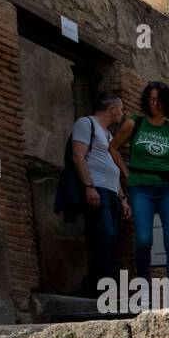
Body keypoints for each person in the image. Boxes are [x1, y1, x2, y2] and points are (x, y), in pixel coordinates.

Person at [111, 82, 169, 303]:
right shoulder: (134, 123)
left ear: (167, 102)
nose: (154, 104)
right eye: (150, 99)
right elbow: (113, 148)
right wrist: (128, 175)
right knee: (144, 240)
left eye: (158, 99)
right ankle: (145, 286)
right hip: (141, 189)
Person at [69, 95, 131, 299]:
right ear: (113, 109)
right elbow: (78, 156)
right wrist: (89, 186)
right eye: (120, 110)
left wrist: (122, 198)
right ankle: (103, 289)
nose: (121, 115)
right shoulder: (86, 124)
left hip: (111, 193)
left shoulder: (109, 136)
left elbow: (112, 168)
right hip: (98, 190)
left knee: (110, 238)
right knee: (103, 237)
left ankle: (96, 285)